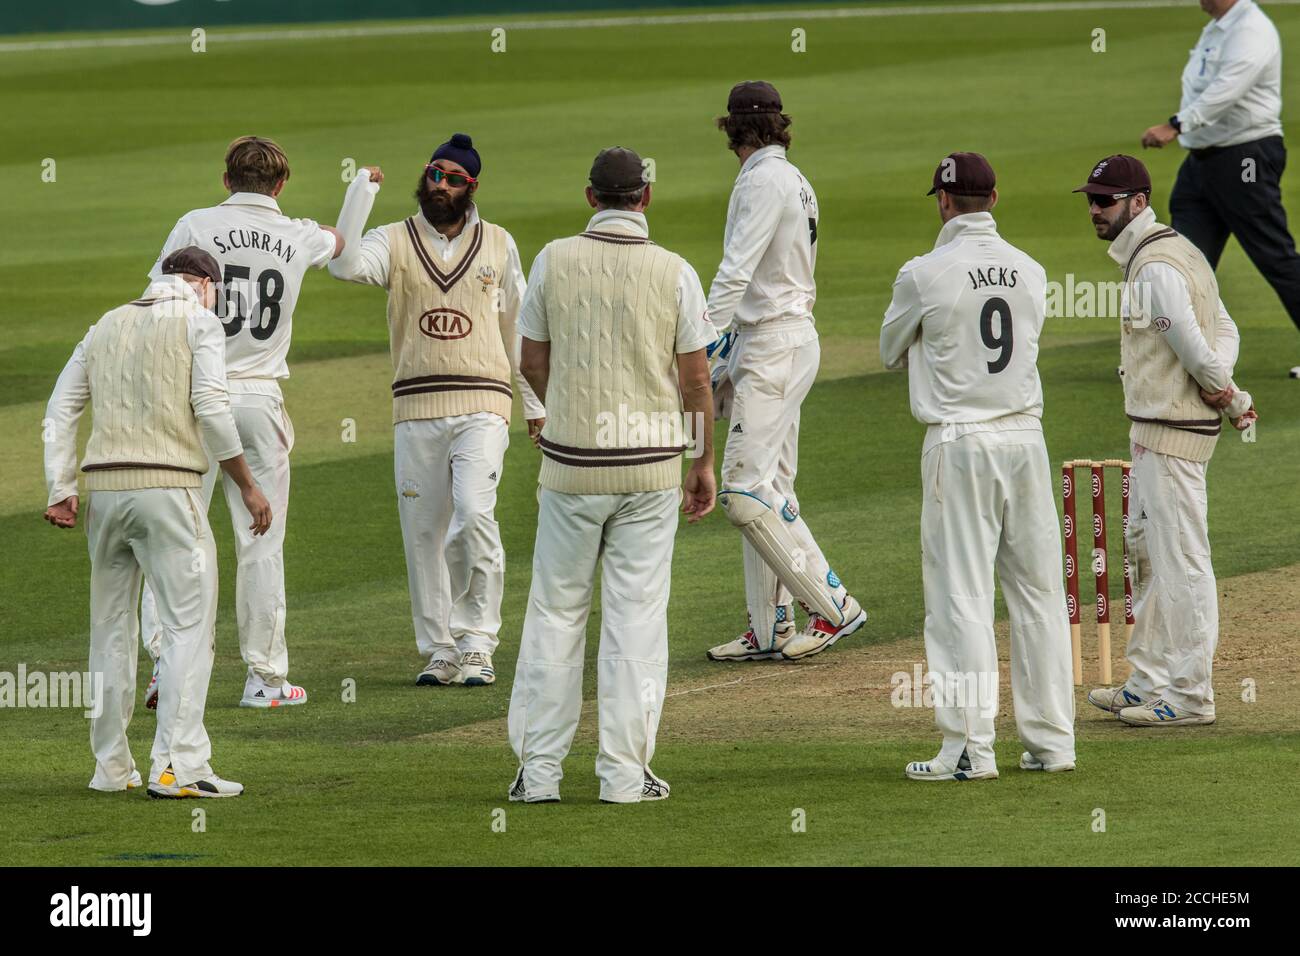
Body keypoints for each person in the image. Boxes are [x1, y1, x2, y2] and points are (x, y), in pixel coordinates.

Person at [506, 146, 716, 804]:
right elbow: (698, 381)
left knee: (555, 615)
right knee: (636, 621)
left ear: (590, 197)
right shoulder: (675, 271)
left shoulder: (552, 259)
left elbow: (532, 361)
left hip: (572, 468)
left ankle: (538, 775)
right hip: (652, 468)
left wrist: (559, 409)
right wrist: (703, 458)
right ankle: (624, 776)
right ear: (645, 198)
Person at [43, 247, 272, 798]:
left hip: (104, 493)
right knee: (189, 627)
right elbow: (212, 410)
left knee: (110, 628)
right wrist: (246, 483)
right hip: (169, 490)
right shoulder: (200, 321)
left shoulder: (104, 324)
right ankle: (179, 767)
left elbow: (60, 409)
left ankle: (111, 769)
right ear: (201, 284)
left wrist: (61, 486)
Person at [880, 152, 1076, 781]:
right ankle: (1053, 743)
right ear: (994, 199)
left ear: (943, 201)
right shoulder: (1030, 269)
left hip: (959, 442)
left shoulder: (922, 272)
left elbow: (889, 348)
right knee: (1040, 594)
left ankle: (970, 747)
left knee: (959, 596)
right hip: (1026, 438)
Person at [328, 133, 545, 687]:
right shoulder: (393, 239)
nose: (441, 186)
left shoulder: (498, 243)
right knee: (424, 532)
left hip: (484, 401)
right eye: (435, 174)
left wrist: (535, 401)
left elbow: (517, 326)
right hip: (416, 405)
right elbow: (343, 266)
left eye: (454, 180)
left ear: (471, 187)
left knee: (473, 513)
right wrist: (358, 195)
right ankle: (440, 649)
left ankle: (477, 641)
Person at [140, 135, 343, 710]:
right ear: (281, 185)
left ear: (226, 179)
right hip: (259, 400)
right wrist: (359, 194)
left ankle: (163, 665)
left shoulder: (195, 224)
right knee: (261, 543)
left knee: (177, 537)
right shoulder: (299, 234)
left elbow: (156, 305)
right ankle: (265, 680)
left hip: (191, 397)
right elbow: (340, 240)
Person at [1076, 154, 1256, 727]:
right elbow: (1224, 327)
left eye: (1105, 200)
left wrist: (1225, 393)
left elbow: (1190, 339)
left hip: (1173, 432)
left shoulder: (1154, 265)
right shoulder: (1177, 249)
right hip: (1158, 428)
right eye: (1091, 199)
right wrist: (1221, 382)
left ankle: (1190, 696)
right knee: (1148, 554)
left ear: (1137, 200)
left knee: (1180, 561)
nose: (1095, 210)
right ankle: (1148, 679)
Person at [704, 80, 866, 664]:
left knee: (743, 493)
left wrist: (698, 340)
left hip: (773, 342)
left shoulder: (766, 180)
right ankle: (769, 626)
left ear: (733, 129)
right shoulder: (791, 177)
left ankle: (833, 603)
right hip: (775, 339)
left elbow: (734, 272)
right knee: (770, 491)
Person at [1140, 0, 1300, 374]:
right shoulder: (1218, 26)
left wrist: (1176, 124)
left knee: (1273, 254)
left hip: (1245, 160)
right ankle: (1170, 354)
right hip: (1203, 161)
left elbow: (1227, 90)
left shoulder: (1251, 30)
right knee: (1181, 259)